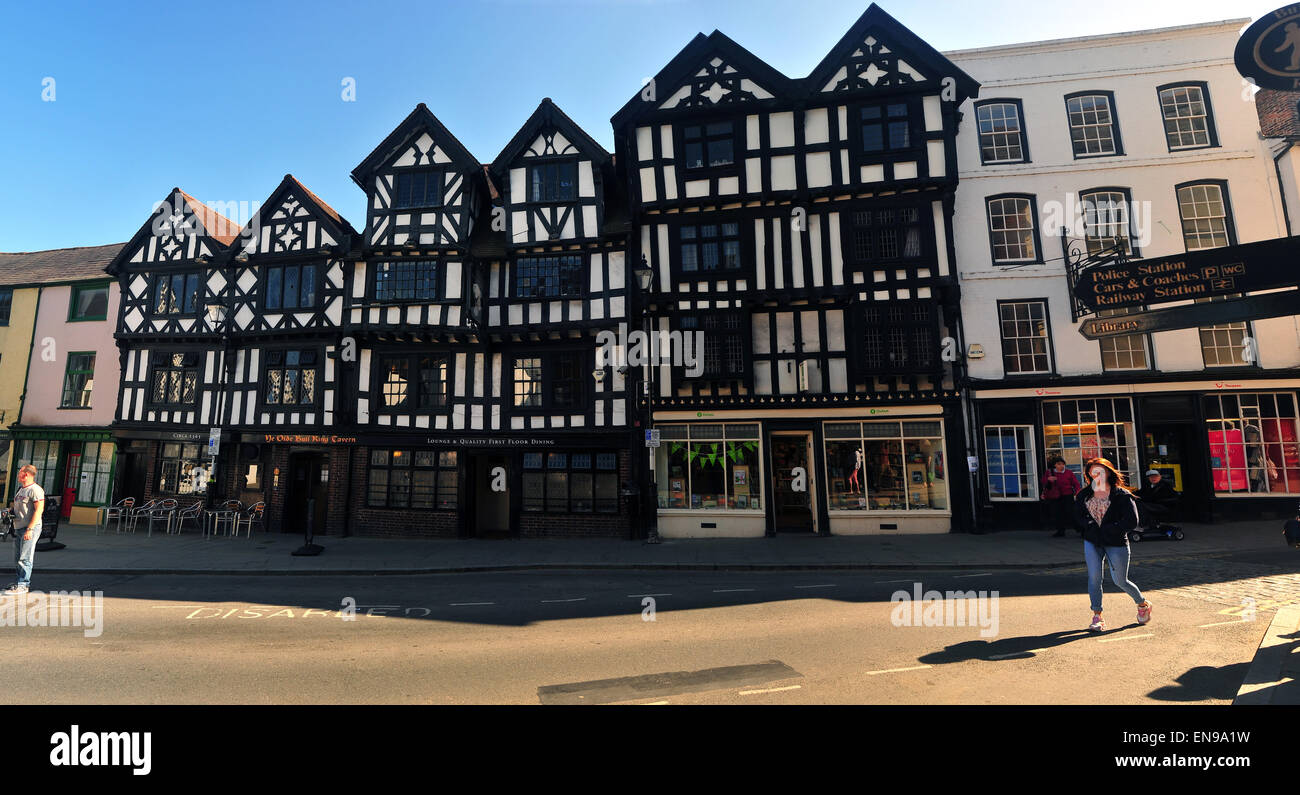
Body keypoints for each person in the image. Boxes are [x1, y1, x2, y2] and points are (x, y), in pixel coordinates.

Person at [1073, 457, 1151, 631]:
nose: (1097, 474)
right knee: (1094, 578)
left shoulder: (1121, 495)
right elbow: (1078, 516)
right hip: (1092, 541)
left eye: (1100, 471)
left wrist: (1112, 528)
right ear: (1089, 474)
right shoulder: (1084, 494)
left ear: (1108, 472)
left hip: (1115, 542)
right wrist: (1089, 525)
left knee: (1120, 581)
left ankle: (1142, 604)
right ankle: (1097, 616)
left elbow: (1132, 520)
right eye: (1093, 472)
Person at [6, 464, 45, 596]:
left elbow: (39, 509)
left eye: (20, 472)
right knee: (18, 557)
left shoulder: (35, 490)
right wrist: (10, 511)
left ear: (26, 475)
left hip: (29, 528)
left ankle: (23, 584)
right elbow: (20, 507)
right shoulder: (21, 489)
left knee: (25, 557)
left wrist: (30, 529)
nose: (18, 475)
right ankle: (19, 581)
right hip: (19, 527)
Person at [1040, 457, 1081, 537]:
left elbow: (1075, 483)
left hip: (1067, 495)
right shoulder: (1049, 472)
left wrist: (1078, 492)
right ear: (1054, 465)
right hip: (1055, 495)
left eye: (1063, 464)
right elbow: (1043, 482)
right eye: (1059, 464)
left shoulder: (1068, 473)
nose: (1061, 466)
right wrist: (1048, 479)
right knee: (1057, 513)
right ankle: (1060, 531)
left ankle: (1080, 529)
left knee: (1071, 513)